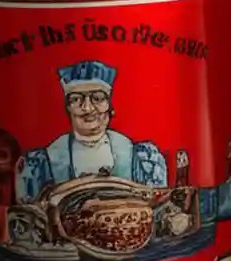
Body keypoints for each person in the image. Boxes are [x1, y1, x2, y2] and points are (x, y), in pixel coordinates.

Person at [15, 60, 167, 203]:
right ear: (67, 108)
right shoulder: (41, 163)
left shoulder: (142, 158)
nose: (87, 108)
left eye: (97, 98)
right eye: (76, 99)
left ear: (109, 105)